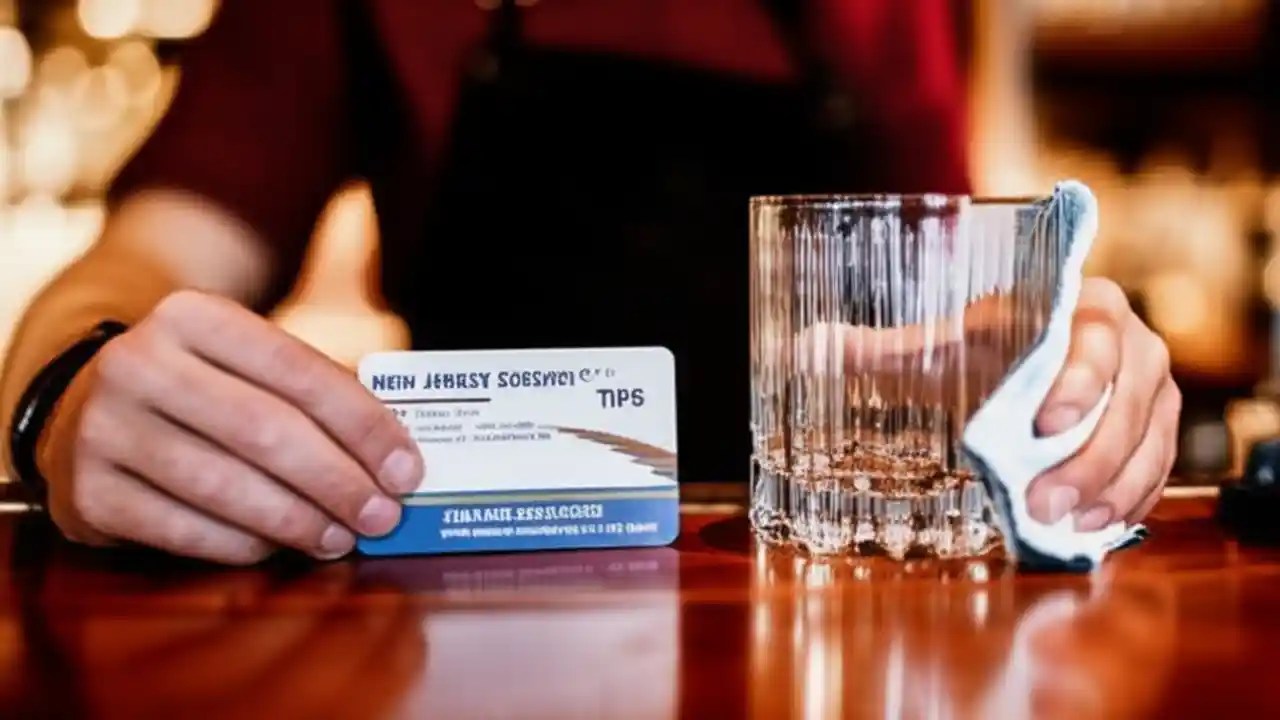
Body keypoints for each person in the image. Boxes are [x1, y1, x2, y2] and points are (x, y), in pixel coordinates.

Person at [0, 0, 1179, 565]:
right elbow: (144, 261)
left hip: (802, 602)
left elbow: (938, 297)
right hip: (470, 597)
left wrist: (1052, 368)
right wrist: (64, 389)